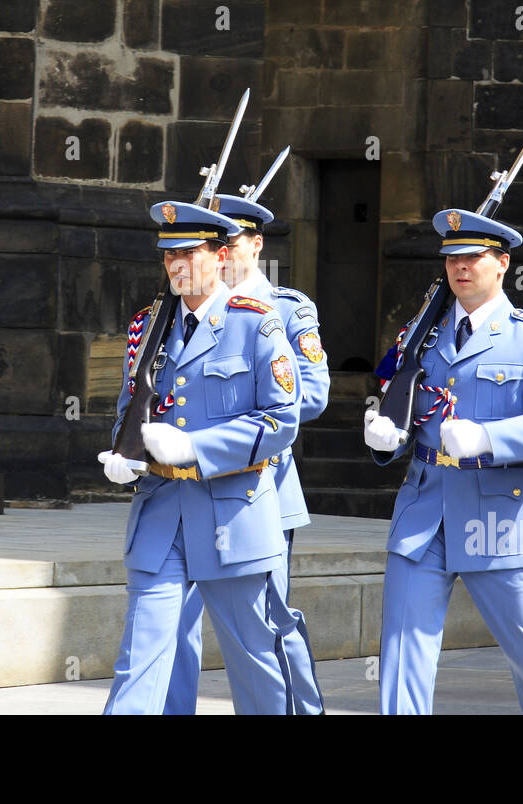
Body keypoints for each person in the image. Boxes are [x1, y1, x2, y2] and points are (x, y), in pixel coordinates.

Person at [363, 208, 523, 715]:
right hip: (424, 509)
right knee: (402, 651)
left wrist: (488, 436)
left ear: (503, 263)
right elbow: (406, 415)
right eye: (452, 259)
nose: (460, 268)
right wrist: (386, 436)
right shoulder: (422, 334)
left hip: (496, 517)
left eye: (473, 257)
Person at [99, 200, 301, 714]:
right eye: (168, 255)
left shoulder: (257, 324)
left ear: (219, 254)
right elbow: (131, 409)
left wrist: (197, 448)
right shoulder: (148, 327)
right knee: (139, 660)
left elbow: (282, 420)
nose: (176, 265)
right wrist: (127, 457)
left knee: (254, 661)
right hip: (161, 514)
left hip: (232, 514)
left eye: (188, 253)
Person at [162, 193, 329, 715]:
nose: (224, 253)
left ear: (256, 244)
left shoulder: (286, 307)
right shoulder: (177, 308)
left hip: (260, 487)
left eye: (231, 242)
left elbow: (313, 396)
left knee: (268, 621)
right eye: (215, 244)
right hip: (182, 490)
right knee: (172, 623)